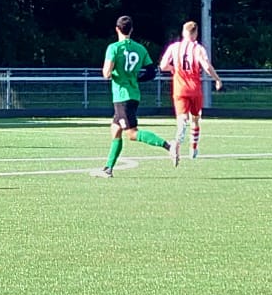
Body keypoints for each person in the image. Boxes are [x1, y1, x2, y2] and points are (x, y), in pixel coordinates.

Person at [95, 16, 172, 177]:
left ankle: (169, 146)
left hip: (122, 96)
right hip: (133, 94)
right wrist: (136, 78)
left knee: (131, 133)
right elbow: (151, 72)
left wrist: (114, 72)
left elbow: (106, 73)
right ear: (131, 30)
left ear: (117, 29)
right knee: (115, 129)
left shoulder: (113, 48)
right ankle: (108, 169)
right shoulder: (140, 49)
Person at [159, 20, 223, 163]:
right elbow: (206, 65)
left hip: (180, 88)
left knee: (182, 120)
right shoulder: (198, 49)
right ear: (195, 33)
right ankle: (193, 148)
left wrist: (173, 68)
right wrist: (217, 79)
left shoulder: (174, 47)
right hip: (194, 89)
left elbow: (163, 66)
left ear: (183, 32)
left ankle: (176, 143)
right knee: (195, 119)